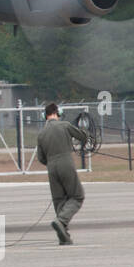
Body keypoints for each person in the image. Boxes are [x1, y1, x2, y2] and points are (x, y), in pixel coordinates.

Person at [35, 102, 88, 245]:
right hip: (66, 163)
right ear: (57, 113)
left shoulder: (41, 134)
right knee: (77, 196)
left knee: (59, 200)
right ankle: (61, 221)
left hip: (51, 167)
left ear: (44, 115)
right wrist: (86, 130)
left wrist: (51, 162)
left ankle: (63, 235)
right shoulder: (64, 125)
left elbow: (40, 158)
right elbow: (82, 137)